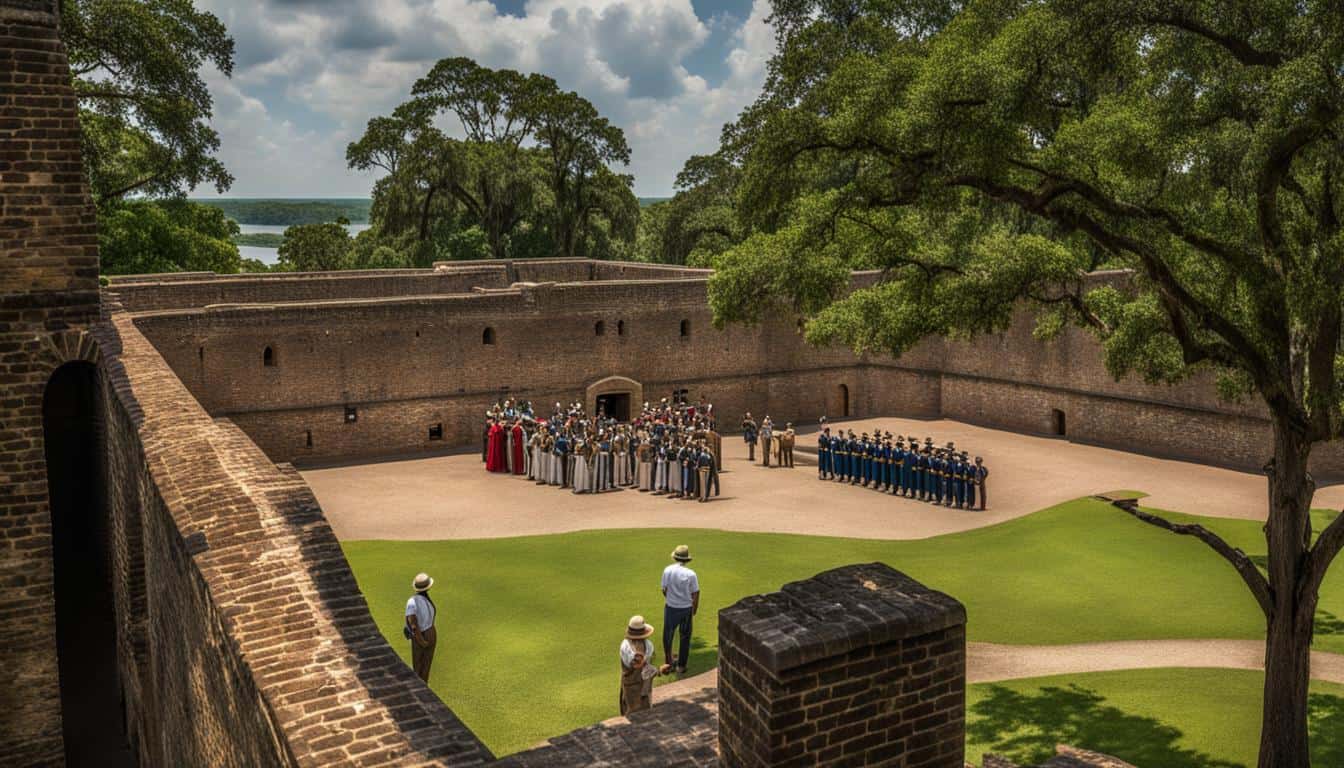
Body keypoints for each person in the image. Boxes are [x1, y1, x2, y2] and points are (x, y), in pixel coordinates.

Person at [619, 616, 670, 715]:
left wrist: (659, 670)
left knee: (637, 711)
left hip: (635, 684)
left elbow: (645, 667)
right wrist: (659, 670)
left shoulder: (627, 645)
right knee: (636, 713)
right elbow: (641, 667)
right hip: (634, 685)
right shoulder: (632, 647)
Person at [661, 545, 699, 674]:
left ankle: (668, 662)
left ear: (674, 557)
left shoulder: (667, 570)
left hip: (671, 608)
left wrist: (671, 598)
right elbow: (695, 592)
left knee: (668, 635)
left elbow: (664, 589)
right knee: (685, 636)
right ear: (686, 559)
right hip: (686, 608)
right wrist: (694, 608)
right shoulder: (691, 574)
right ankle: (681, 666)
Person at [405, 572, 438, 683]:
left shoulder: (412, 601)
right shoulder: (428, 601)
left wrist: (421, 641)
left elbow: (414, 625)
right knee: (426, 668)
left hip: (421, 634)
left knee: (417, 668)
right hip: (432, 632)